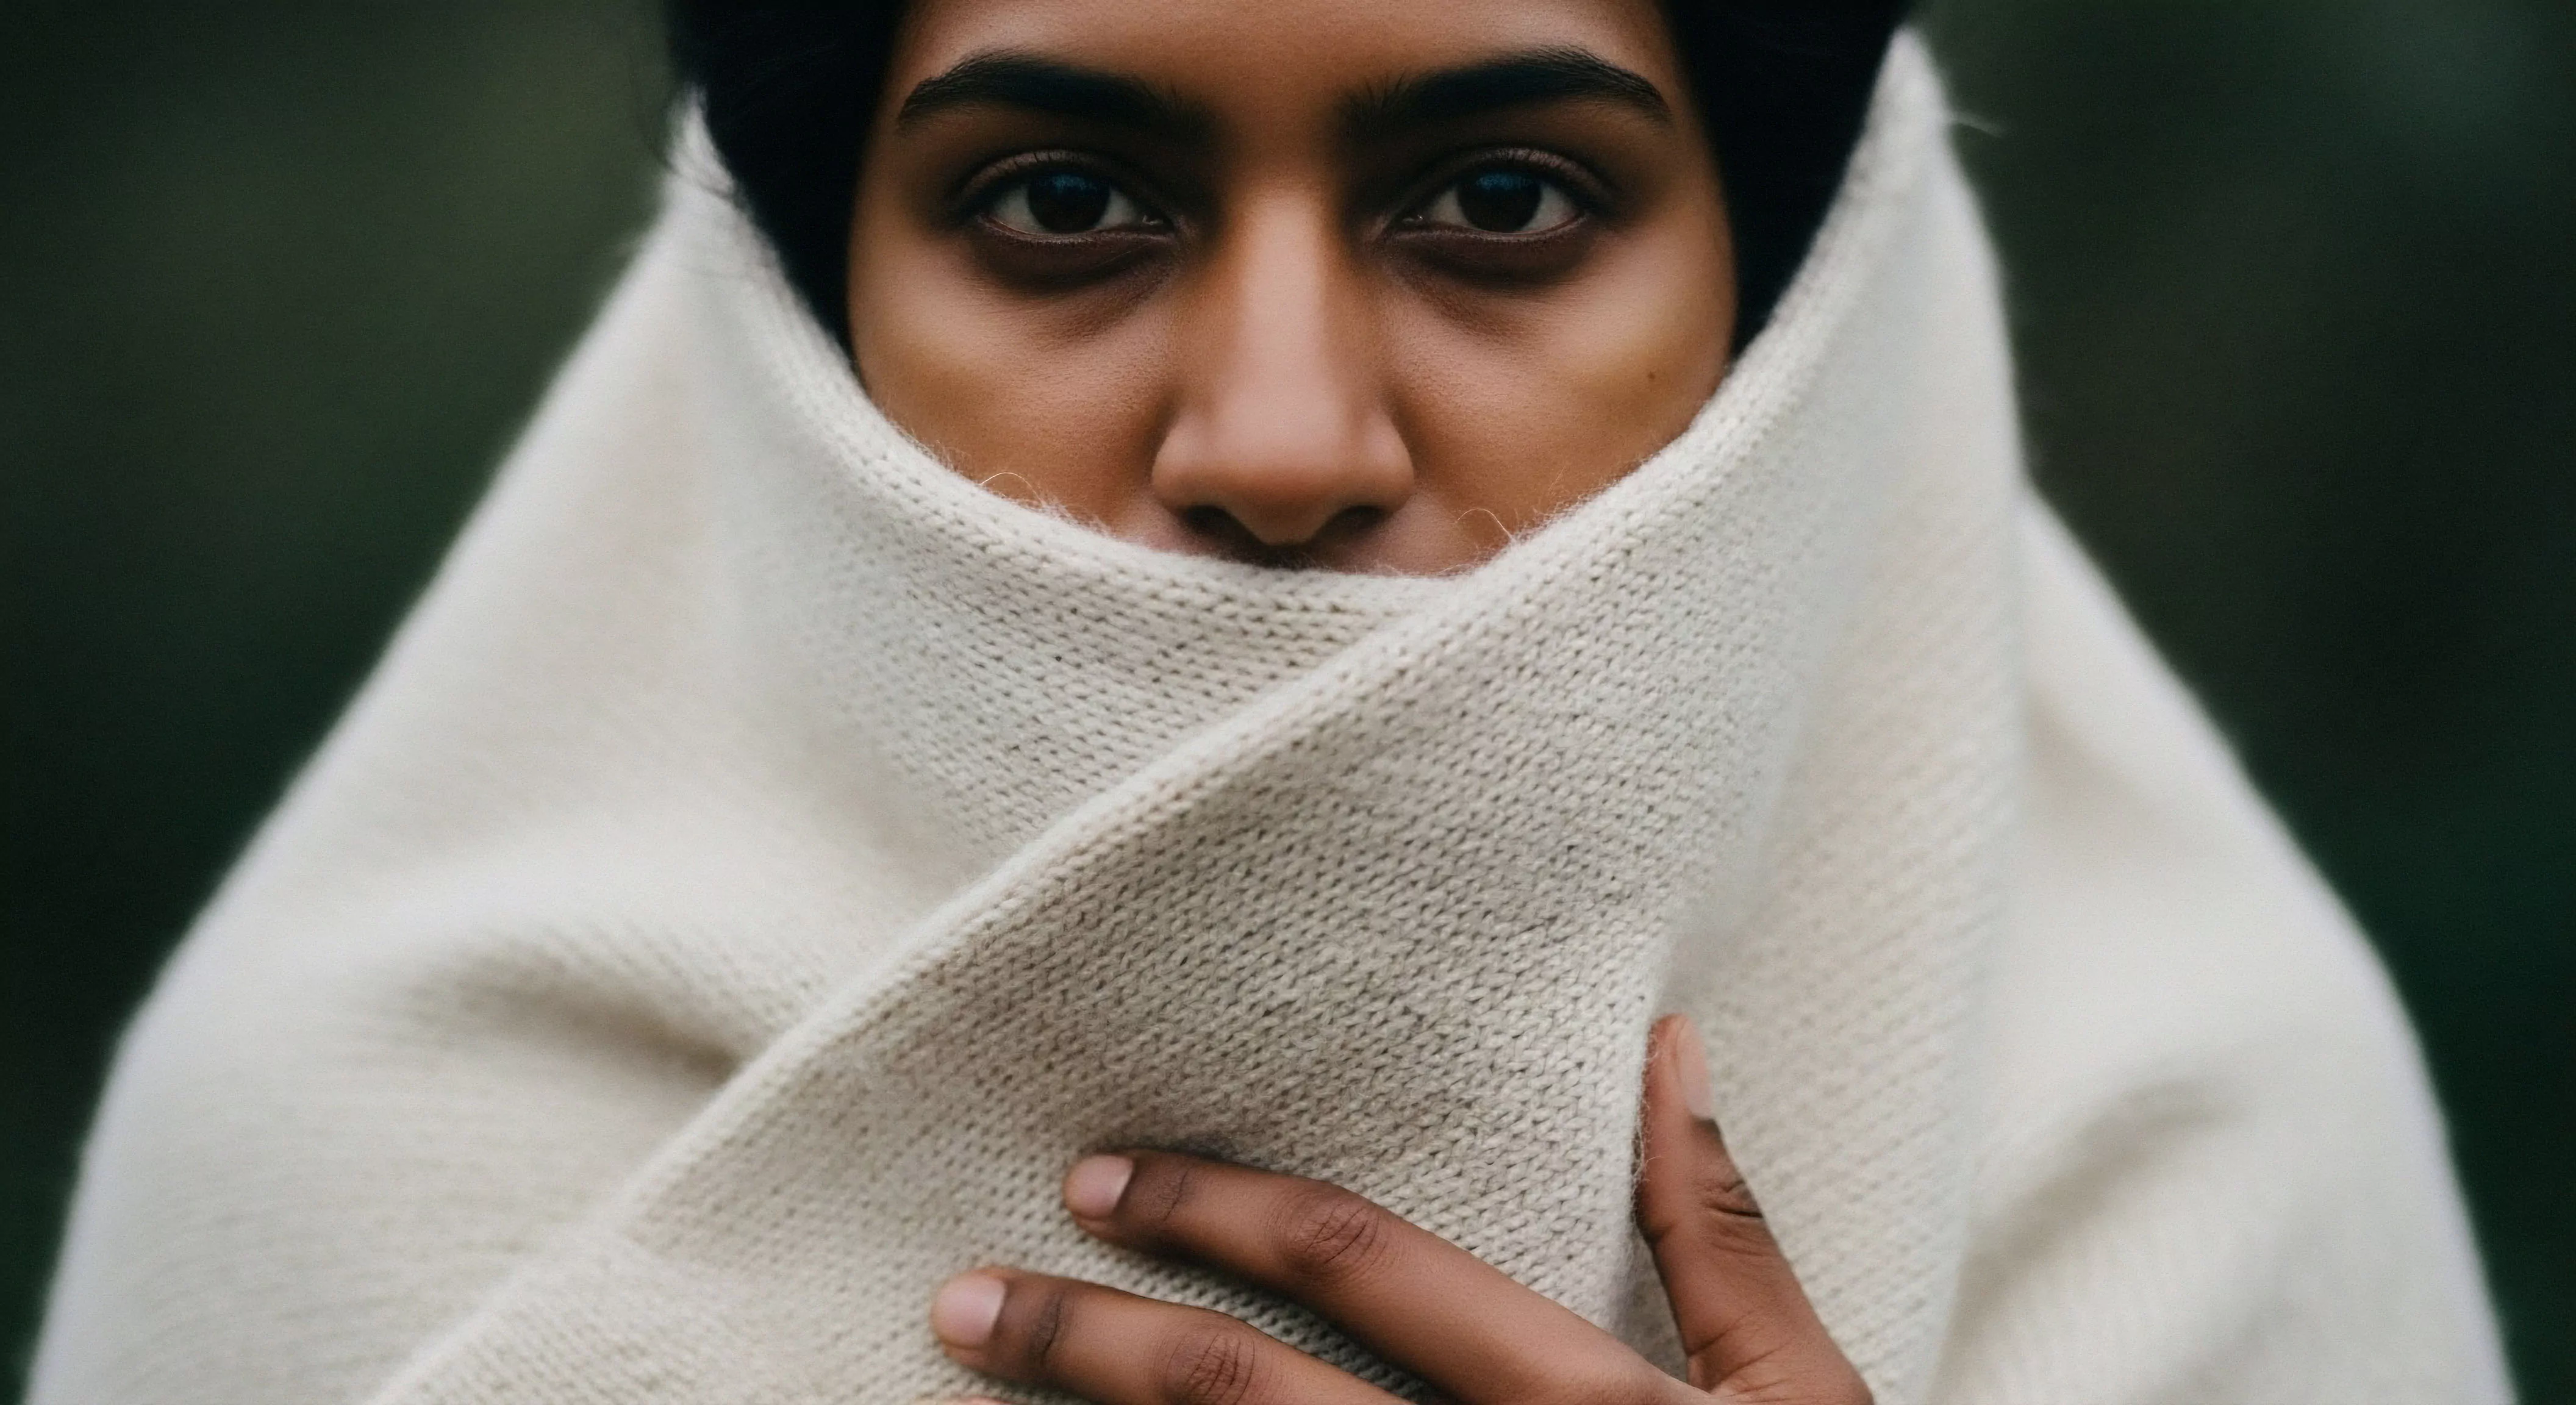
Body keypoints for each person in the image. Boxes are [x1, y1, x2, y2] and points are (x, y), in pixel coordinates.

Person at [29, 2, 2507, 1403]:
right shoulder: (341, 1146)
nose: (1289, 440)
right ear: (801, 301)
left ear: (1789, 293)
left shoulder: (2202, 1131)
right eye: (1066, 208)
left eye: (1507, 204)